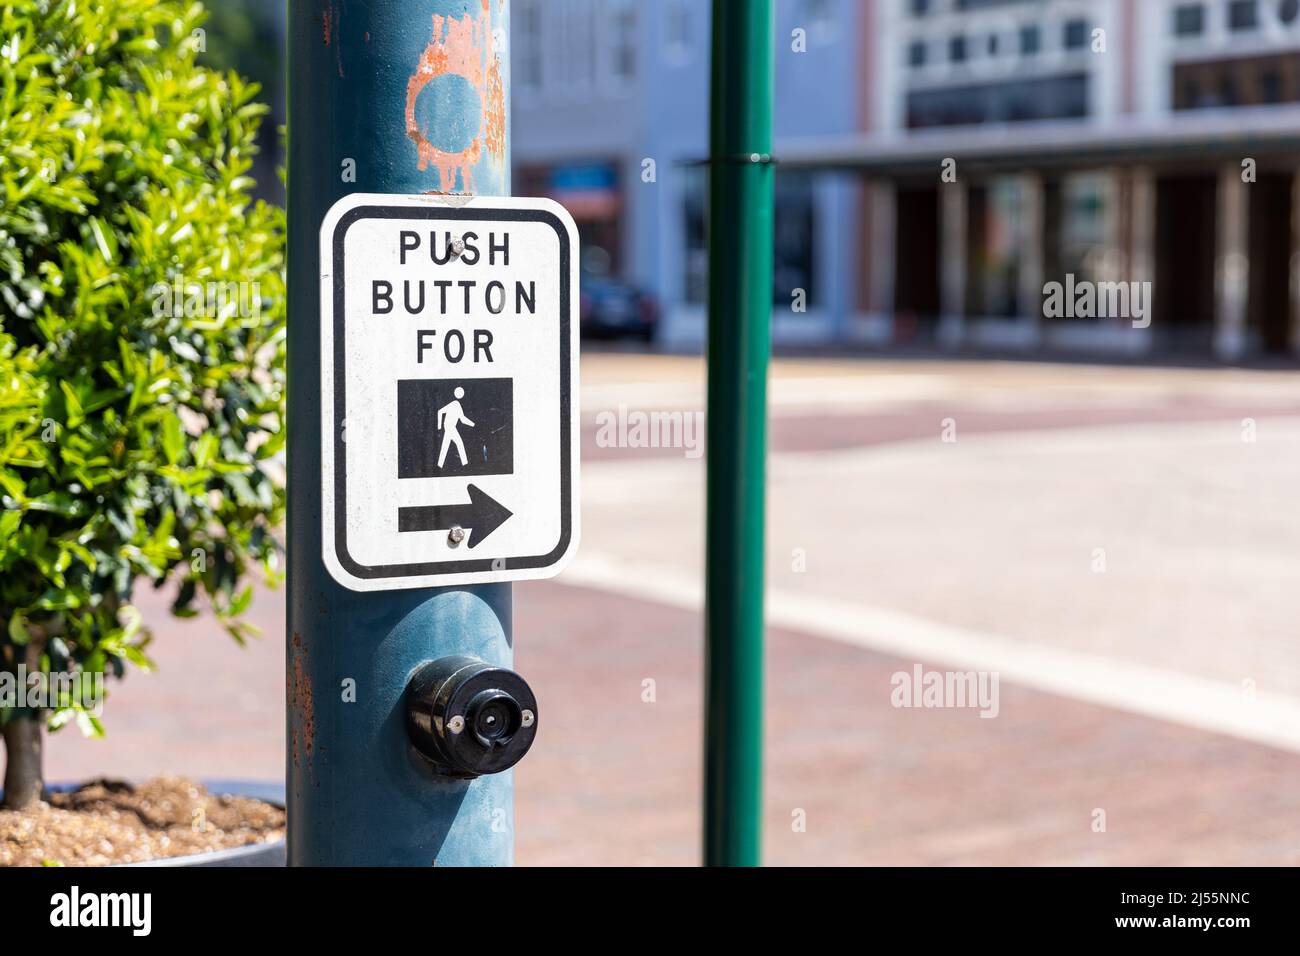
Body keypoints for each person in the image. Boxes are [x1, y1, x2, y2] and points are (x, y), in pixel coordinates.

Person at [436, 386, 474, 468]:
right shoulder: (456, 404)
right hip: (450, 427)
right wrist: (439, 427)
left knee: (446, 445)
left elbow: (462, 419)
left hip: (450, 427)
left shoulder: (455, 404)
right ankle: (465, 464)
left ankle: (439, 465)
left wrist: (440, 427)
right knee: (458, 443)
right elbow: (440, 411)